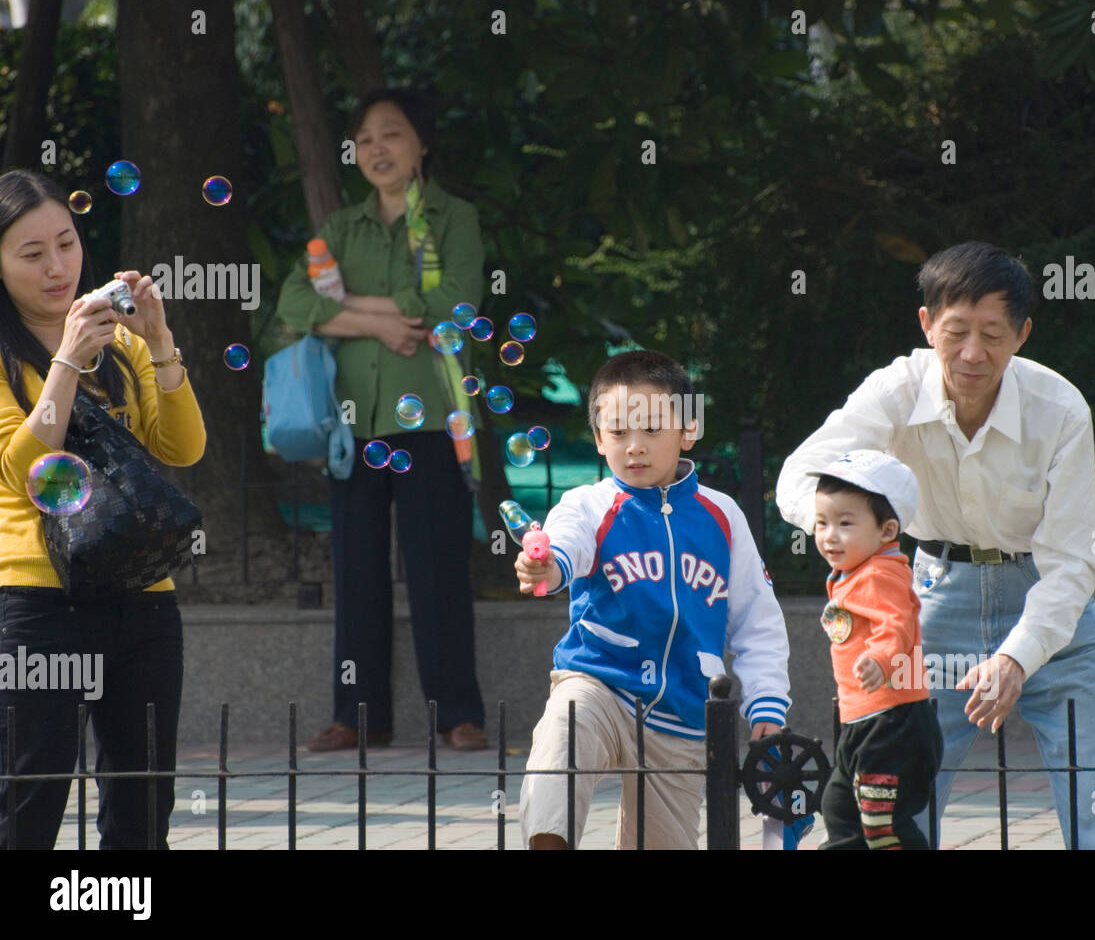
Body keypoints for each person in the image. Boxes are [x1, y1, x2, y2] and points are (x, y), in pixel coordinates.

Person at [776, 241, 1095, 849]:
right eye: (956, 332)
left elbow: (1074, 559)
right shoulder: (894, 389)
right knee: (894, 806)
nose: (973, 354)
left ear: (1023, 333)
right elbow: (801, 474)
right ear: (926, 324)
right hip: (928, 603)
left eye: (994, 334)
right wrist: (846, 526)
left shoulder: (1061, 409)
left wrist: (1017, 657)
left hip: (1049, 603)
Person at [278, 87, 488, 752]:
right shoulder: (342, 228)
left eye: (392, 134)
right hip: (353, 426)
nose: (377, 148)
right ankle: (358, 715)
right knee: (357, 573)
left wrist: (358, 311)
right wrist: (383, 320)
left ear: (421, 145)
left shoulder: (456, 218)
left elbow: (454, 301)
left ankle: (458, 712)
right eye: (365, 137)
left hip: (429, 420)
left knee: (438, 570)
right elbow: (291, 298)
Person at [0, 168, 205, 848]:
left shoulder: (119, 343)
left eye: (66, 242)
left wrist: (160, 342)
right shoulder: (12, 355)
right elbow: (27, 470)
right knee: (29, 801)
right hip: (38, 600)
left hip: (142, 593)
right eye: (32, 254)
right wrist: (64, 360)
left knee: (142, 808)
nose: (57, 267)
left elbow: (183, 447)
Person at [513, 351, 791, 849]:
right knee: (562, 732)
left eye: (651, 430)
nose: (634, 447)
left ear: (688, 430)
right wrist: (546, 565)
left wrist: (766, 701)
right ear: (599, 439)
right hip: (599, 681)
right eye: (618, 432)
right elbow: (563, 548)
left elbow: (756, 619)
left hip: (685, 709)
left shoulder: (723, 515)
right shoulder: (586, 504)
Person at [806, 450, 943, 849]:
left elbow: (896, 623)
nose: (829, 535)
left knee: (882, 823)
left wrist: (881, 658)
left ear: (887, 531)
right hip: (865, 721)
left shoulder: (881, 573)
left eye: (845, 523)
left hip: (894, 723)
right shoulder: (856, 571)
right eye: (821, 523)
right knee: (840, 809)